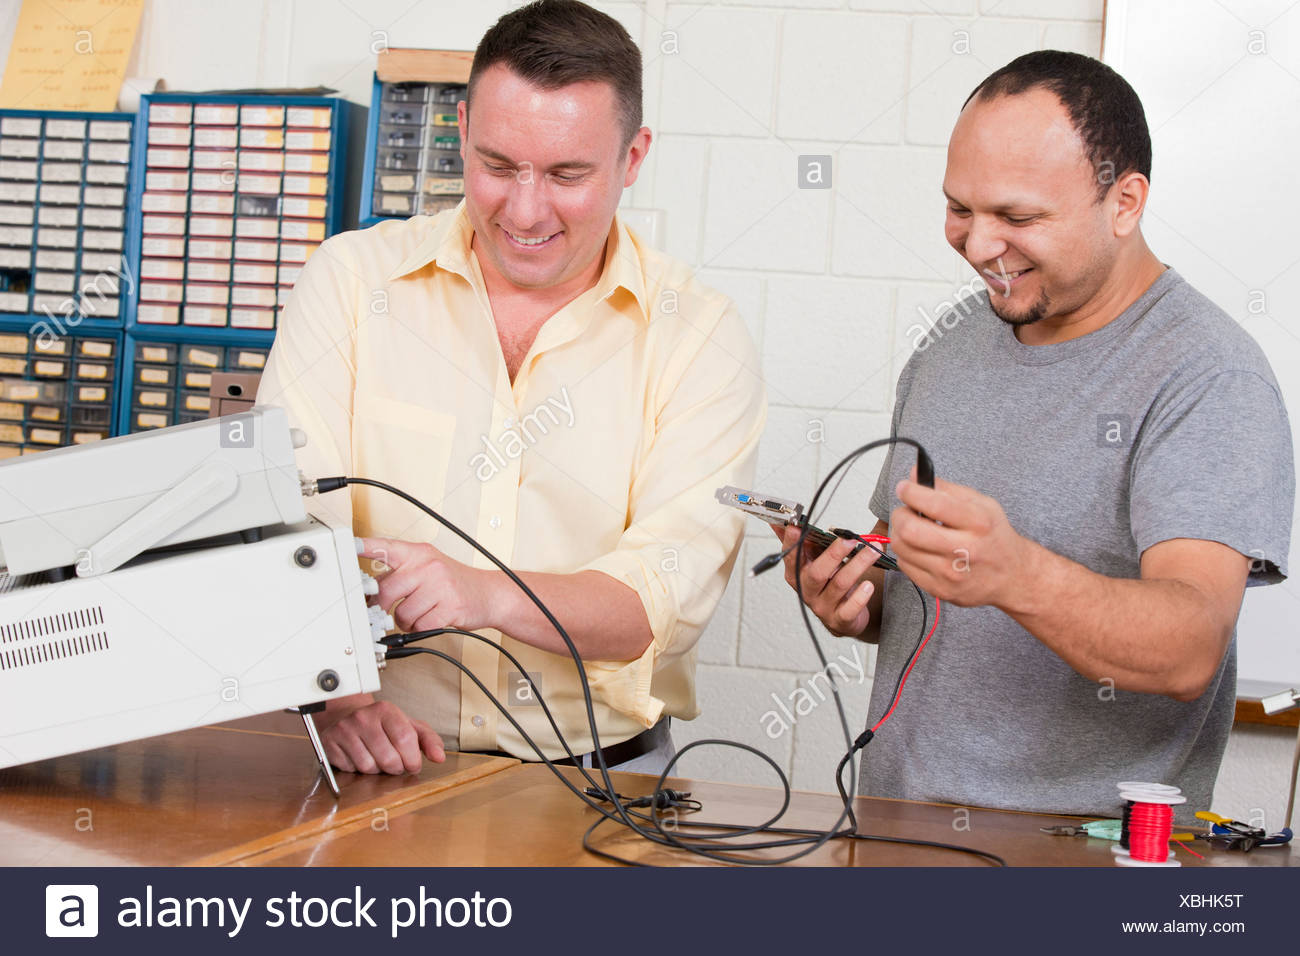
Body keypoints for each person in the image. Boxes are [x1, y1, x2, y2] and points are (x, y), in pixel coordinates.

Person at [778, 50, 1293, 818]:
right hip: (897, 838)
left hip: (1081, 866)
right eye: (960, 208)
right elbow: (908, 575)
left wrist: (1017, 574)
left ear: (1124, 203)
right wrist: (857, 596)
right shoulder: (950, 344)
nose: (979, 246)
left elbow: (1189, 645)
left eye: (1017, 217)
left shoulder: (1210, 376)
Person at [258, 0, 765, 776]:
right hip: (375, 760)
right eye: (497, 166)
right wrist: (343, 702)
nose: (525, 210)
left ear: (633, 159)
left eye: (567, 174)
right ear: (460, 130)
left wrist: (486, 595)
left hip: (606, 778)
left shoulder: (700, 336)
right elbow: (282, 516)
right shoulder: (353, 284)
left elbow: (660, 598)